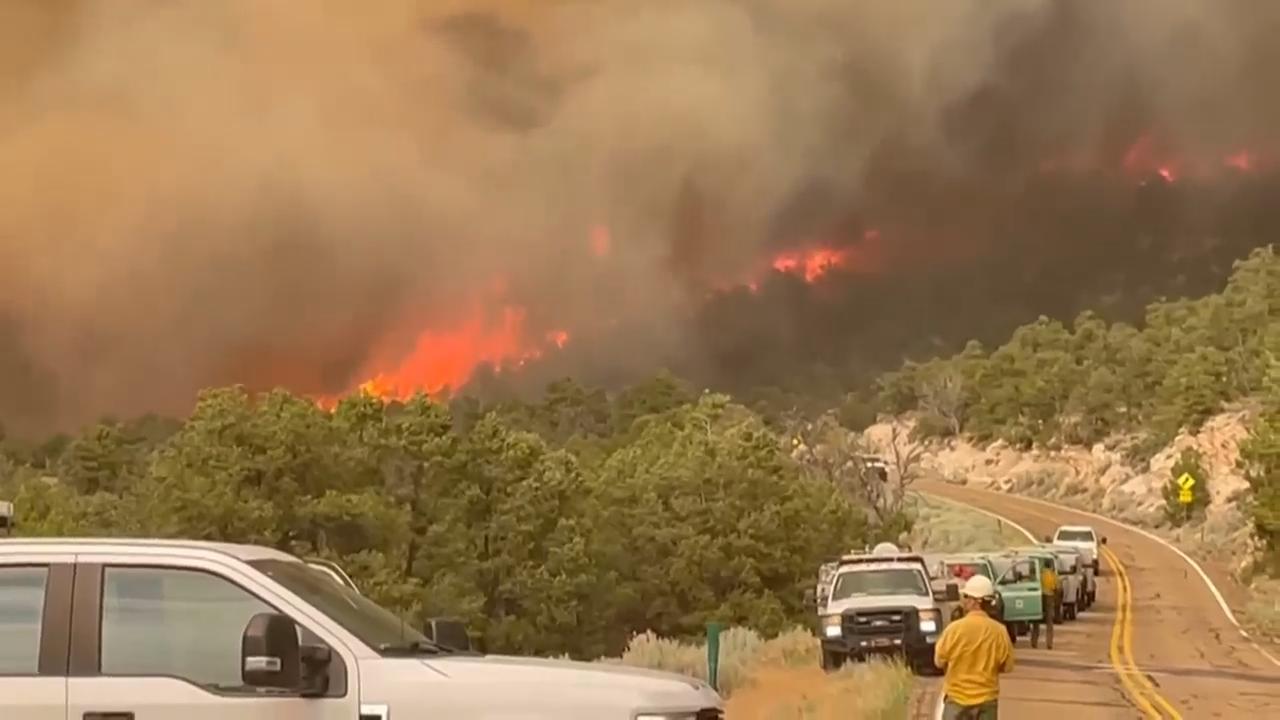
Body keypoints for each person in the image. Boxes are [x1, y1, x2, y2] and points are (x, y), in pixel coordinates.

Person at [935, 575, 1015, 719]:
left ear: (974, 602)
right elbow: (1007, 666)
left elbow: (939, 661)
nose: (964, 601)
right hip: (987, 701)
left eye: (966, 597)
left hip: (956, 700)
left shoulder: (953, 630)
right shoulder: (999, 631)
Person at [1031, 559, 1058, 650]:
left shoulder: (1040, 574)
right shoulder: (1053, 575)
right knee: (1049, 622)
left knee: (1036, 620)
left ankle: (1034, 642)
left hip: (1039, 597)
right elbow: (1056, 587)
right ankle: (1049, 643)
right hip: (1049, 597)